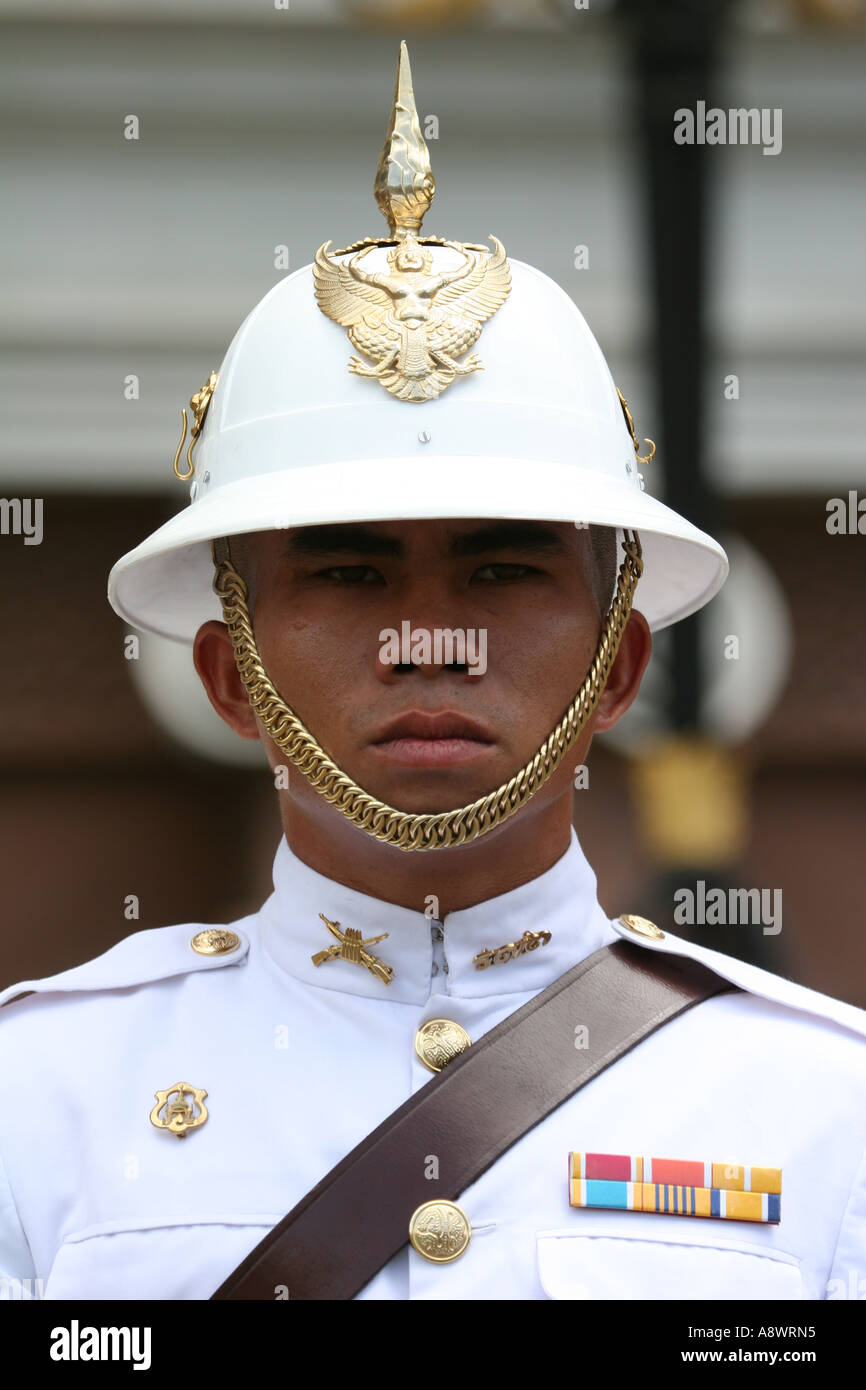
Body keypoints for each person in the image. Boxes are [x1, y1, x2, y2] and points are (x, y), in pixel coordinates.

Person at [1, 43, 863, 1303]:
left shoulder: (820, 1102)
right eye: (347, 576)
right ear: (229, 676)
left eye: (501, 572)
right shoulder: (41, 1096)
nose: (425, 638)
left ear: (618, 666)